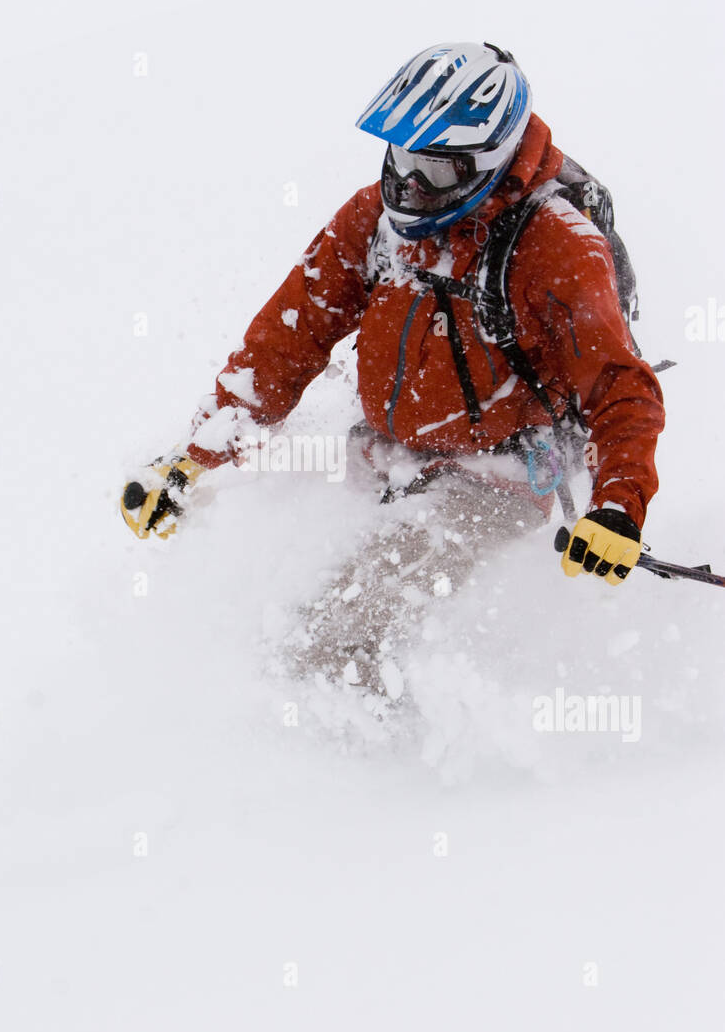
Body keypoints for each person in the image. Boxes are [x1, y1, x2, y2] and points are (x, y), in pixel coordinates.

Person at [121, 42, 665, 693]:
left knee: (334, 638)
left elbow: (620, 386)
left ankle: (378, 752)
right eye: (403, 160)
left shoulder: (557, 246)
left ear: (486, 161)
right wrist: (194, 457)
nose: (410, 186)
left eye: (433, 169)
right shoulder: (377, 222)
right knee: (276, 588)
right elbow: (290, 337)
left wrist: (618, 507)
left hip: (498, 480)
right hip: (385, 454)